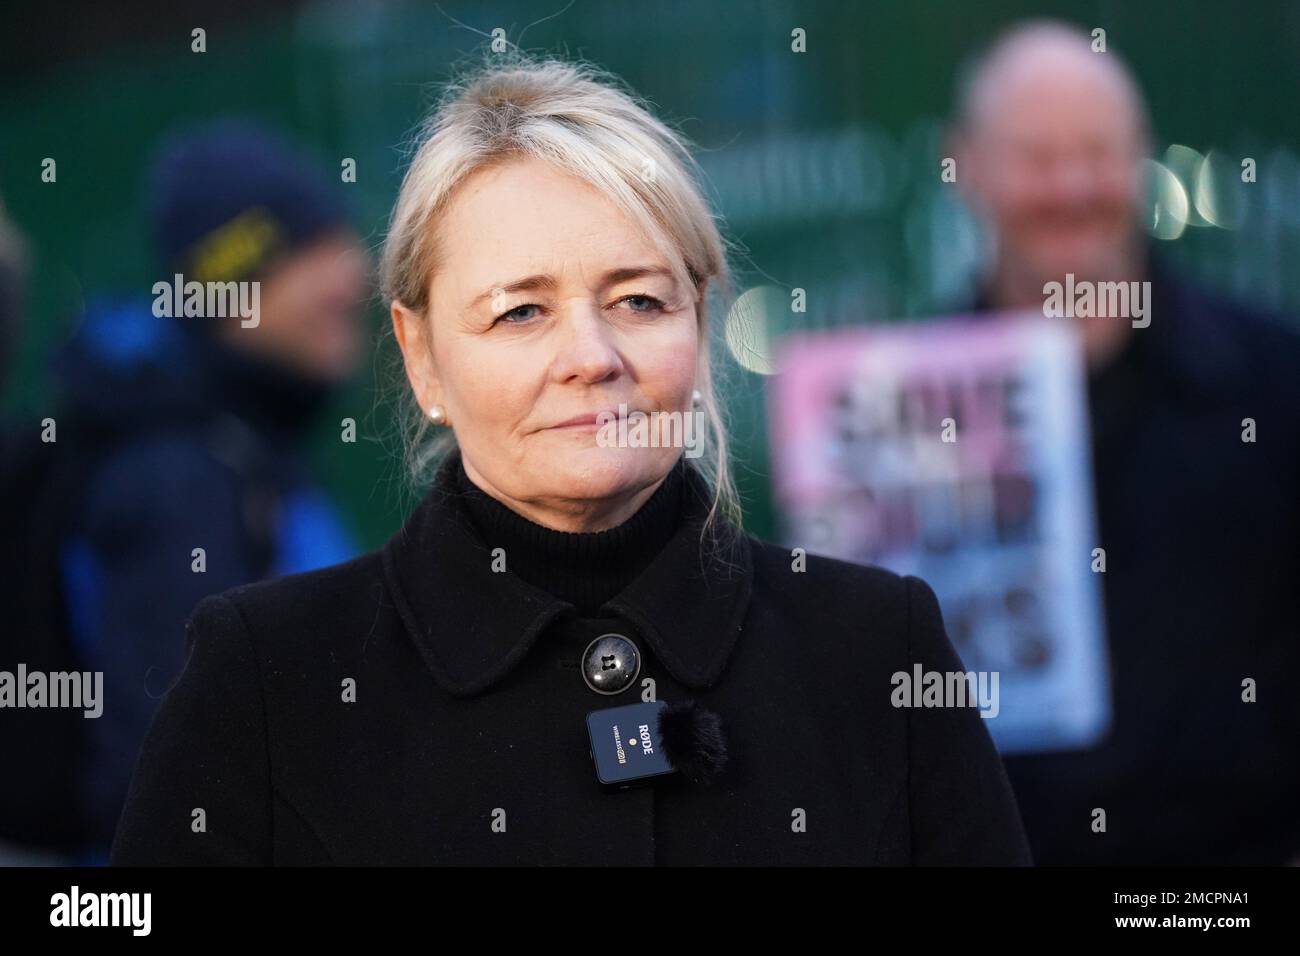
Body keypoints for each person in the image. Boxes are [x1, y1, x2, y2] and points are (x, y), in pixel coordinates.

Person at [110, 57, 1031, 866]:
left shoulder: (878, 649)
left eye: (637, 300)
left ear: (701, 323)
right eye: (521, 312)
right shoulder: (265, 684)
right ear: (422, 354)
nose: (591, 355)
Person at [948, 21, 1300, 864]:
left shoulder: (1277, 380)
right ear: (965, 168)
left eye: (1098, 152)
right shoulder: (896, 404)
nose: (1072, 186)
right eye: (1036, 157)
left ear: (1141, 161)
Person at [53, 121, 367, 860]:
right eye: (311, 252)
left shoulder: (244, 440)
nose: (351, 274)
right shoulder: (178, 479)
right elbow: (166, 787)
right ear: (232, 287)